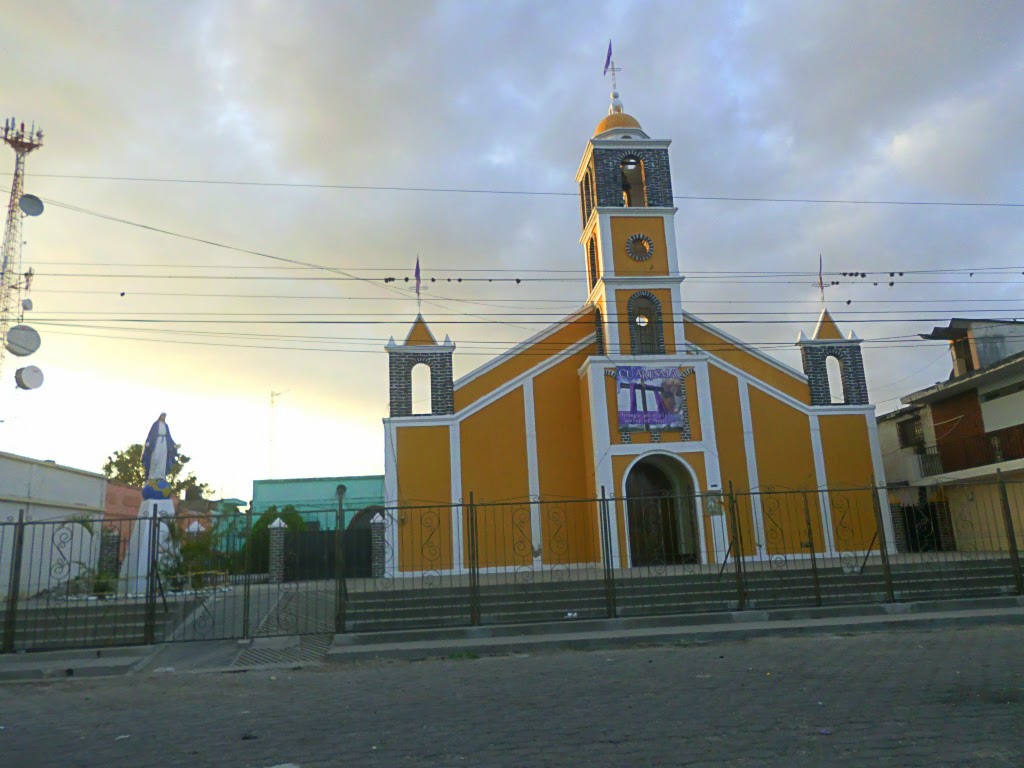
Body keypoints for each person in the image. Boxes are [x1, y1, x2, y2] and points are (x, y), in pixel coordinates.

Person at [142, 413, 179, 481]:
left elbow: (169, 437)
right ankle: (152, 475)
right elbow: (151, 434)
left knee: (163, 459)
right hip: (156, 442)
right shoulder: (155, 424)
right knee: (155, 457)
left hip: (164, 443)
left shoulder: (166, 425)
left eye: (165, 416)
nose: (163, 417)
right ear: (160, 416)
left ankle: (161, 475)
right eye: (163, 416)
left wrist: (174, 445)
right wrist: (148, 441)